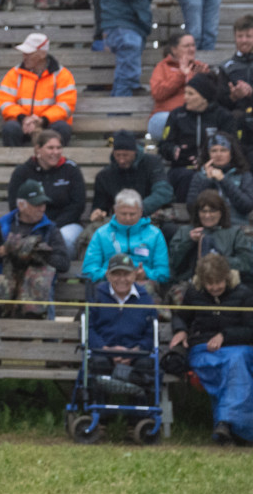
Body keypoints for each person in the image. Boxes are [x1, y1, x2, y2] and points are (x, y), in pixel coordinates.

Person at [171, 252, 253, 444]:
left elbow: (251, 329)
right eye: (210, 283)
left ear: (226, 277)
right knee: (232, 372)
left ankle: (225, 425)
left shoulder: (244, 293)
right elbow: (181, 316)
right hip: (204, 350)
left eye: (219, 282)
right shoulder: (193, 292)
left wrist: (225, 335)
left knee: (236, 364)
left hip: (237, 348)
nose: (214, 287)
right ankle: (235, 429)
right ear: (202, 281)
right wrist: (181, 330)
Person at [88, 253, 163, 424]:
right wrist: (106, 350)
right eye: (116, 274)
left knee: (146, 366)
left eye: (126, 274)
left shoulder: (146, 299)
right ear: (108, 275)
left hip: (136, 354)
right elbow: (88, 329)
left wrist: (134, 352)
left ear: (135, 274)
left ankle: (137, 422)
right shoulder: (97, 296)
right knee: (97, 364)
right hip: (104, 352)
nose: (122, 279)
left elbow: (151, 333)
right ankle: (100, 421)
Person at [0, 180, 70, 318]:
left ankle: (52, 338)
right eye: (37, 204)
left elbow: (64, 263)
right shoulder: (2, 226)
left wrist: (40, 253)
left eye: (43, 204)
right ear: (21, 205)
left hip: (39, 285)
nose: (42, 208)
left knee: (46, 296)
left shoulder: (50, 229)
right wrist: (4, 250)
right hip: (6, 283)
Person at [159, 71, 238, 201]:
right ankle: (184, 215)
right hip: (183, 167)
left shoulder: (223, 116)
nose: (185, 97)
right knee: (187, 176)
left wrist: (206, 161)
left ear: (204, 97)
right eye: (185, 93)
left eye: (190, 94)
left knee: (213, 177)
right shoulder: (177, 115)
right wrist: (174, 151)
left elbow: (232, 146)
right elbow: (164, 145)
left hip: (216, 166)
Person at [5, 129, 88, 253]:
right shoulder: (22, 172)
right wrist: (35, 225)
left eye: (59, 148)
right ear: (38, 149)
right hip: (30, 224)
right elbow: (15, 204)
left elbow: (78, 205)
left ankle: (57, 271)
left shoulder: (71, 170)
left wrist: (52, 226)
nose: (55, 152)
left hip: (66, 224)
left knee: (64, 239)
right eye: (50, 148)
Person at [0, 33, 77, 146]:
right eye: (24, 53)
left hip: (49, 124)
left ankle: (55, 162)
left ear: (42, 54)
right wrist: (23, 118)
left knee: (63, 128)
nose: (24, 56)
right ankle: (13, 163)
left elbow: (66, 105)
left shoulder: (62, 75)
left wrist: (42, 120)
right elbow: (3, 101)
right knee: (10, 128)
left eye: (29, 53)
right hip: (22, 123)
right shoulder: (14, 74)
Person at [168, 190, 253, 300]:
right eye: (203, 211)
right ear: (197, 213)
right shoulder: (185, 232)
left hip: (226, 284)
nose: (207, 215)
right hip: (191, 285)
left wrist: (218, 261)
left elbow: (246, 262)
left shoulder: (235, 233)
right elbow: (173, 262)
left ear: (221, 212)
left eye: (212, 211)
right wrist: (188, 241)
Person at [81, 189, 170, 287]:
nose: (128, 218)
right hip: (108, 283)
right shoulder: (101, 234)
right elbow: (89, 270)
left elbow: (163, 274)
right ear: (115, 211)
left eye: (132, 214)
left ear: (140, 212)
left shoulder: (154, 234)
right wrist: (110, 275)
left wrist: (145, 274)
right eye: (123, 214)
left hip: (143, 284)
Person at [93, 130, 173, 224]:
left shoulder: (152, 163)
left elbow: (163, 191)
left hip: (150, 216)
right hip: (119, 221)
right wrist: (98, 213)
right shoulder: (104, 176)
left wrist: (136, 210)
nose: (121, 160)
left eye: (125, 155)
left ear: (134, 152)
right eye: (117, 155)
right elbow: (100, 206)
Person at [150, 31, 208, 139]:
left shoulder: (200, 68)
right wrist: (181, 75)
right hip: (166, 115)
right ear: (174, 49)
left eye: (193, 45)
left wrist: (205, 78)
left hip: (194, 116)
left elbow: (211, 98)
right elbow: (157, 93)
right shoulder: (162, 67)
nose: (191, 49)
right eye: (186, 46)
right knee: (165, 122)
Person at [185, 135, 253, 223]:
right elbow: (191, 208)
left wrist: (223, 180)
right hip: (206, 228)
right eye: (214, 151)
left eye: (223, 150)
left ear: (231, 153)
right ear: (208, 154)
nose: (218, 154)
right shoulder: (199, 176)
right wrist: (207, 181)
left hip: (236, 227)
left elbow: (246, 206)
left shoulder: (244, 175)